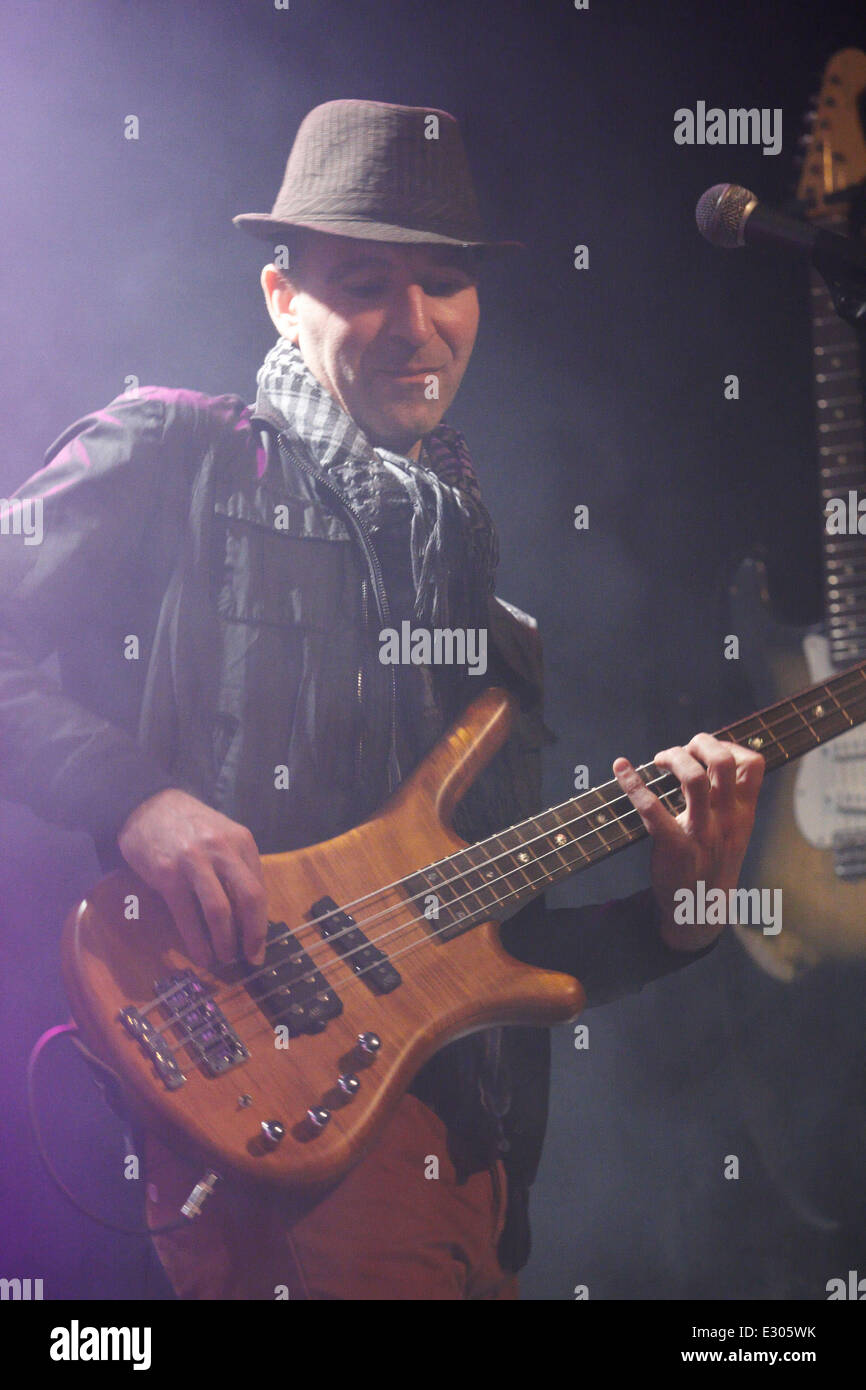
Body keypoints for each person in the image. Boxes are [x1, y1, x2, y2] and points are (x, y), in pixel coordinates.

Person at [0, 99, 765, 1300]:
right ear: (279, 295)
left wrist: (681, 915)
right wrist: (139, 798)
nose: (416, 324)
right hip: (285, 1167)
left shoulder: (485, 610)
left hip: (476, 1187)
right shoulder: (179, 453)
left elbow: (486, 952)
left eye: (444, 281)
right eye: (364, 283)